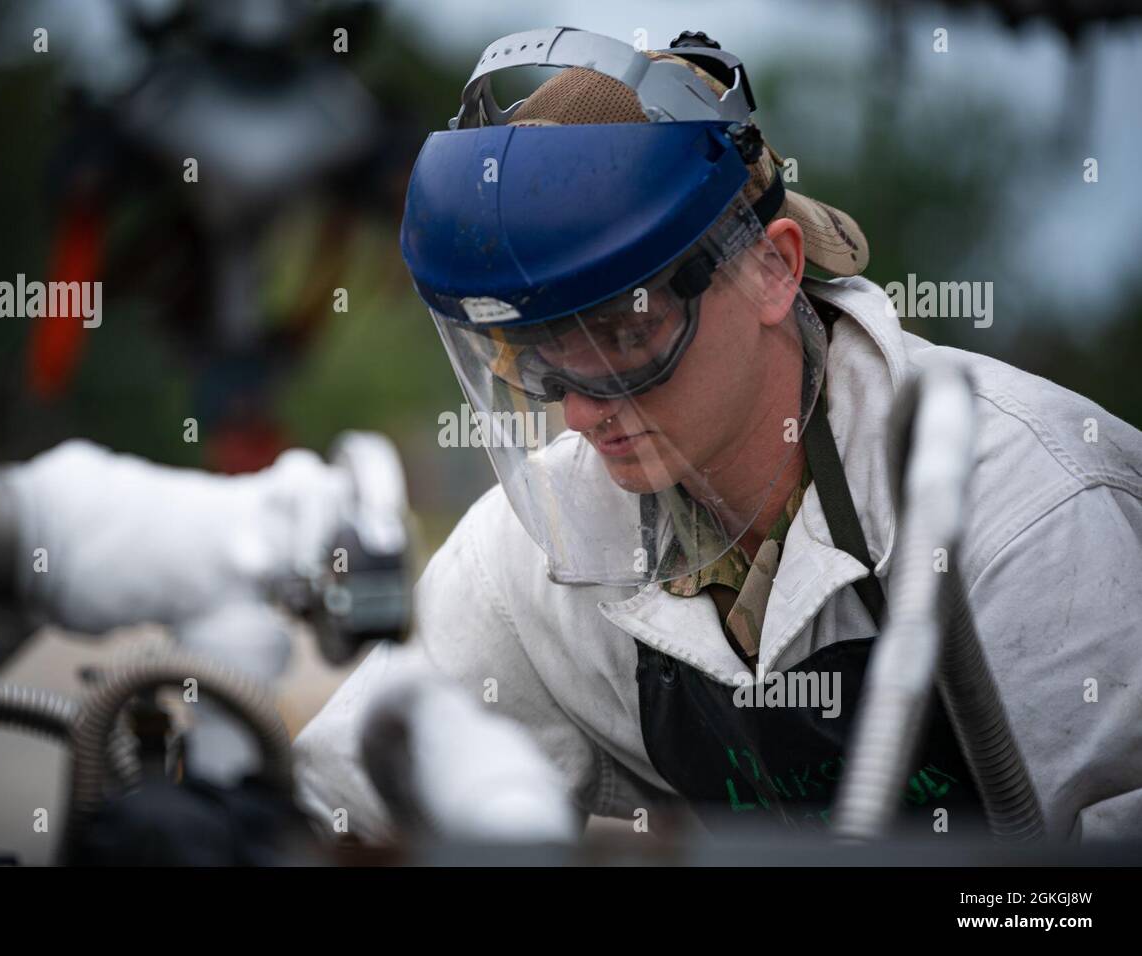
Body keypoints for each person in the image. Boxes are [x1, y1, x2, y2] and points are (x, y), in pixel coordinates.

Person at [292, 27, 1142, 843]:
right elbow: (347, 795)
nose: (581, 412)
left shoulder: (1028, 511)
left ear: (773, 267)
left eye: (625, 337)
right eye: (540, 358)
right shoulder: (539, 554)